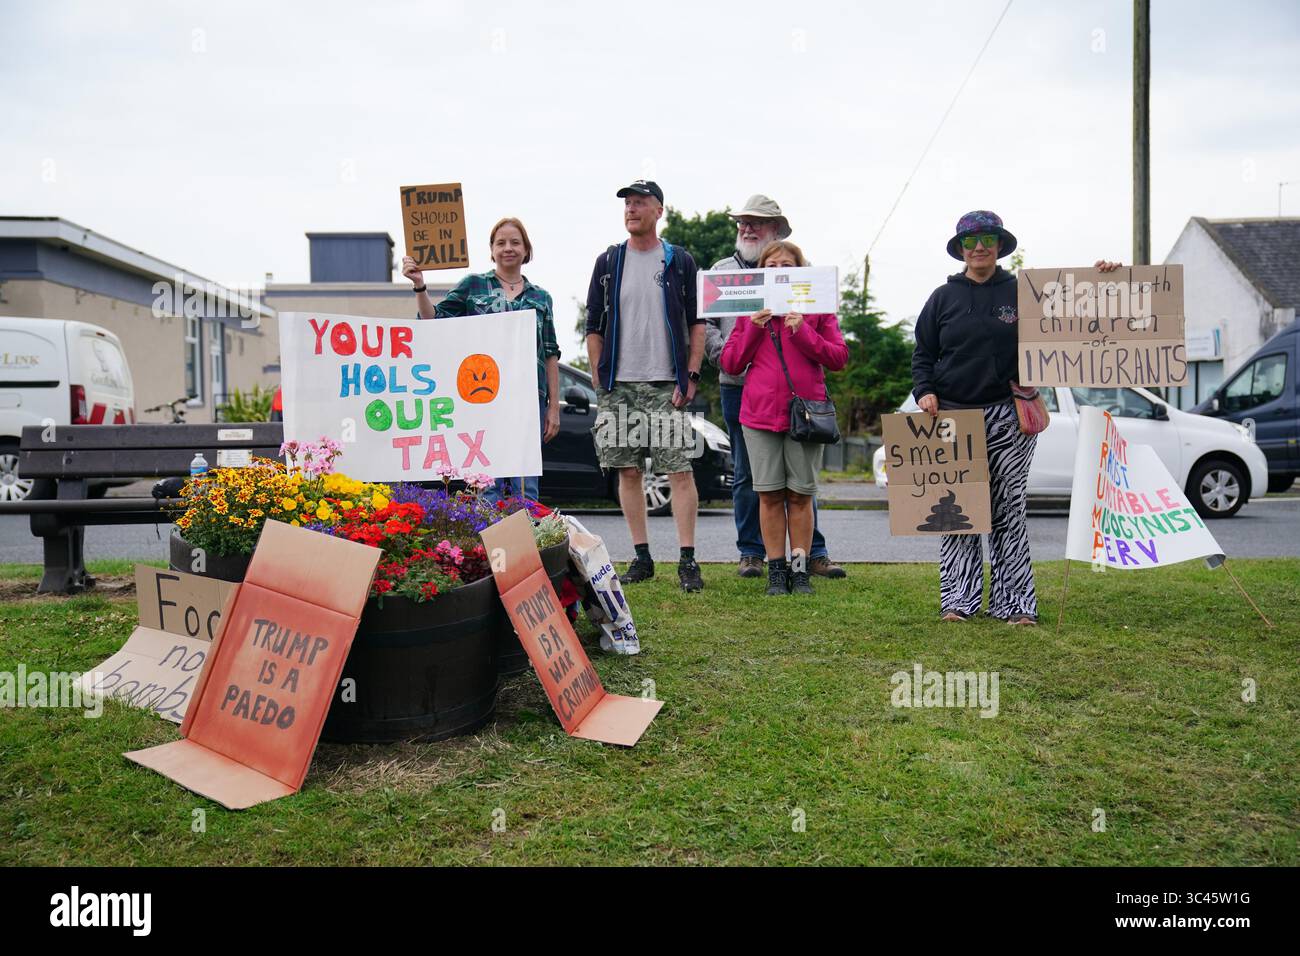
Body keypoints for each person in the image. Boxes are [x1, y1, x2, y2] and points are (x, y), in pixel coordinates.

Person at [911, 210, 1119, 625]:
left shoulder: (1025, 293)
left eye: (988, 238)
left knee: (1008, 509)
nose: (980, 247)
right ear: (961, 250)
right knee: (957, 511)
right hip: (953, 418)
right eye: (970, 241)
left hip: (1011, 415)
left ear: (1000, 245)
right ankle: (960, 600)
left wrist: (1105, 279)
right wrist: (925, 391)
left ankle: (1015, 604)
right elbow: (923, 355)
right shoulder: (941, 298)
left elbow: (1078, 318)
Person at [704, 196, 846, 580]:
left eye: (757, 223)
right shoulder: (721, 272)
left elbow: (835, 351)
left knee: (801, 485)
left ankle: (810, 555)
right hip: (742, 388)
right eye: (742, 223)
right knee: (751, 477)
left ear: (777, 231)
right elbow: (710, 331)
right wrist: (726, 353)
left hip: (800, 397)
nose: (747, 229)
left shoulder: (808, 283)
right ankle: (754, 555)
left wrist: (801, 332)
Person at [584, 180, 706, 592]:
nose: (631, 209)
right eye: (627, 204)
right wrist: (600, 376)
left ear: (659, 210)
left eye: (640, 203)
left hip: (665, 384)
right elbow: (594, 323)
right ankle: (642, 557)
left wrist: (690, 374)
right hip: (619, 385)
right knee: (628, 471)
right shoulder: (608, 262)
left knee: (680, 470)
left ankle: (687, 561)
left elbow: (696, 321)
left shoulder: (679, 261)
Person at [402, 217, 560, 503]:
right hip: (481, 395)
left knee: (526, 482)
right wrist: (419, 286)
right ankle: (490, 544)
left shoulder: (541, 297)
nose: (508, 248)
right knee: (488, 480)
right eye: (501, 243)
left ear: (526, 250)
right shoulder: (473, 286)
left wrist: (553, 408)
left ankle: (528, 542)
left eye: (515, 242)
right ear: (491, 250)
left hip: (528, 396)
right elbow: (432, 319)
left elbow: (550, 353)